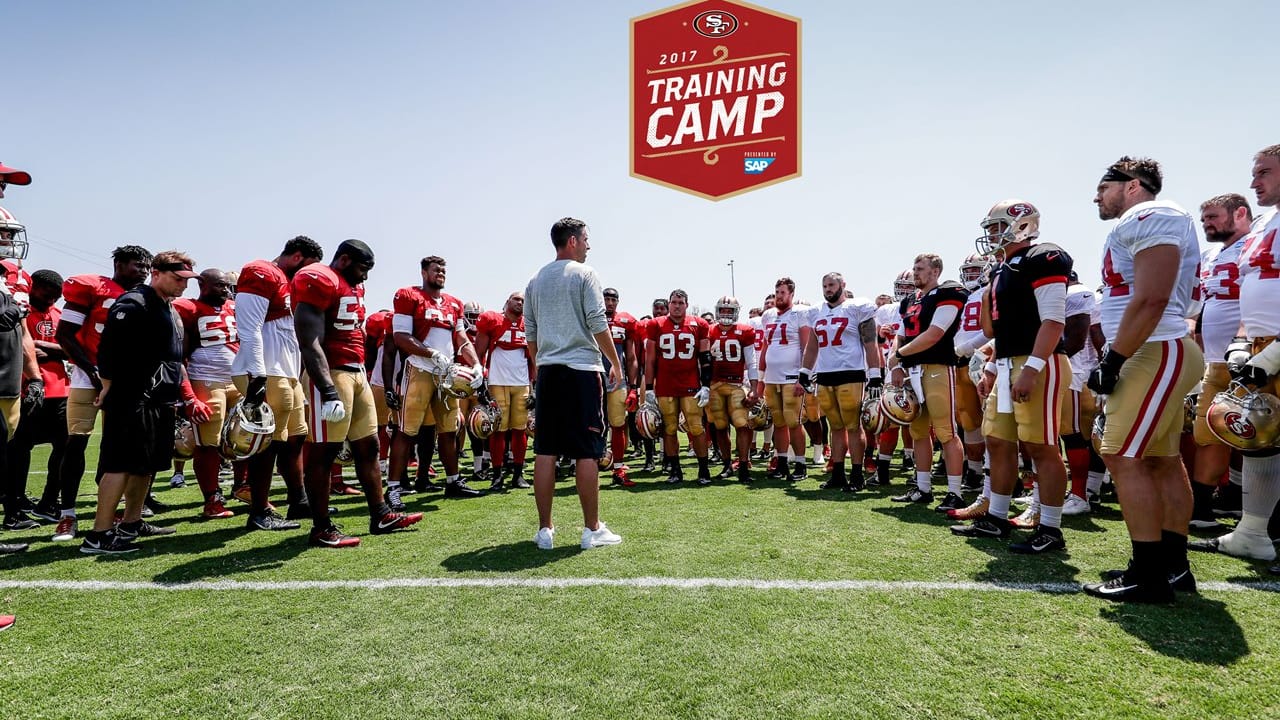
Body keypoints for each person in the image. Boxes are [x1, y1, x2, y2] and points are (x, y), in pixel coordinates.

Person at [1082, 156, 1204, 603]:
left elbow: (1153, 297)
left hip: (1154, 349)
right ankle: (1172, 568)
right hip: (1155, 349)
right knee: (1160, 460)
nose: (1096, 196)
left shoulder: (1151, 213)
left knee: (1120, 455)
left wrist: (1113, 360)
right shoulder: (1141, 220)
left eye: (1103, 187)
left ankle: (1150, 576)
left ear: (1132, 186)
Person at [950, 200, 1073, 554]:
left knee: (1041, 446)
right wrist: (983, 359)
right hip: (1005, 362)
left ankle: (1050, 527)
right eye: (989, 228)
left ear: (1022, 225)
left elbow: (1053, 321)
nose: (990, 235)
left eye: (996, 227)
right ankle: (997, 517)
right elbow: (996, 329)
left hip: (1039, 361)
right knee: (998, 441)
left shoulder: (1043, 257)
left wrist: (1033, 368)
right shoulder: (1002, 270)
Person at [295, 239, 423, 547]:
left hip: (357, 372)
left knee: (369, 447)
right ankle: (321, 527)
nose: (365, 276)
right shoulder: (320, 279)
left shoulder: (352, 286)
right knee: (324, 452)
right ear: (344, 260)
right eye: (362, 268)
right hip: (332, 373)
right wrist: (327, 390)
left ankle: (380, 512)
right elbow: (308, 340)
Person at [80, 252, 207, 554]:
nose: (183, 286)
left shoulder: (169, 308)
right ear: (157, 273)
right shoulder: (134, 303)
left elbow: (174, 358)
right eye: (178, 279)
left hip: (159, 398)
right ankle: (99, 534)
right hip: (131, 396)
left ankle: (131, 523)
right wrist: (108, 385)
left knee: (145, 464)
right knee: (120, 462)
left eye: (186, 281)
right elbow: (108, 350)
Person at [1192, 146, 1280, 575]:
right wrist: (1244, 340)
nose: (1254, 181)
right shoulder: (1267, 222)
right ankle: (1253, 533)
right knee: (1262, 442)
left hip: (1277, 344)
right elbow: (1255, 287)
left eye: (1263, 172)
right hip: (1262, 341)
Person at [525, 217, 623, 550]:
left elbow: (531, 334)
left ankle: (544, 530)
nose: (588, 245)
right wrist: (615, 361)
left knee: (545, 450)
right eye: (584, 239)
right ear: (571, 240)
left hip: (549, 371)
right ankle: (591, 529)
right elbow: (598, 322)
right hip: (581, 370)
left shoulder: (535, 280)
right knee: (586, 451)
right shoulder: (585, 274)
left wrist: (541, 365)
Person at [53, 245, 152, 542]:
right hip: (88, 377)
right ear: (119, 264)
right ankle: (67, 515)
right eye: (138, 265)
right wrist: (93, 371)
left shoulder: (146, 298)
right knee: (75, 444)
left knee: (117, 449)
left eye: (147, 267)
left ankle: (111, 513)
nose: (144, 272)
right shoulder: (92, 287)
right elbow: (65, 335)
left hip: (126, 381)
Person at [386, 255, 485, 501]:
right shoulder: (409, 295)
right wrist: (430, 352)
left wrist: (476, 365)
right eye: (435, 270)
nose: (440, 273)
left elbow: (461, 339)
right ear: (423, 272)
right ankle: (394, 488)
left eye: (443, 270)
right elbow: (400, 336)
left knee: (450, 429)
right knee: (406, 431)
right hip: (419, 368)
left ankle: (453, 481)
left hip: (446, 374)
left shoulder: (453, 303)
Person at [1187, 193, 1251, 530]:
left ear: (1239, 214)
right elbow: (1200, 308)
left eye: (1213, 216)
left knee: (1259, 435)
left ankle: (1257, 514)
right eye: (1204, 219)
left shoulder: (1256, 244)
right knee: (1209, 432)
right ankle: (1203, 508)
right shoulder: (1210, 254)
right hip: (1215, 361)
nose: (1207, 224)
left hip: (1253, 358)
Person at [886, 254, 968, 509]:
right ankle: (923, 488)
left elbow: (934, 334)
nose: (914, 273)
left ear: (936, 271)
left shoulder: (948, 292)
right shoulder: (910, 301)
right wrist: (896, 363)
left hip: (937, 368)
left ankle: (955, 492)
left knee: (946, 431)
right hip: (913, 370)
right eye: (913, 268)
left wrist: (899, 355)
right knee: (918, 431)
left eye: (920, 269)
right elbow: (900, 337)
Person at [799, 273, 880, 491]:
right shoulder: (816, 312)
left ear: (843, 285)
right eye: (824, 285)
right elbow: (812, 346)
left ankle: (856, 474)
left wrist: (875, 374)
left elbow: (871, 343)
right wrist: (805, 370)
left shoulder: (856, 307)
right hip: (825, 375)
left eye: (832, 285)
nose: (828, 289)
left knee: (853, 426)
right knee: (835, 427)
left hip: (851, 373)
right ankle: (837, 474)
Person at [173, 268, 242, 520]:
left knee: (246, 436)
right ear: (202, 284)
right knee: (208, 443)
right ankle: (212, 499)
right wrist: (188, 395)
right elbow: (179, 355)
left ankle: (242, 486)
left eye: (227, 286)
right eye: (219, 286)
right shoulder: (189, 308)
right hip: (207, 379)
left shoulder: (233, 307)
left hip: (237, 380)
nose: (225, 290)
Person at [17, 271, 70, 529]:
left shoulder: (59, 315)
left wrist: (39, 347)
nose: (51, 300)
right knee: (18, 449)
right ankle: (16, 502)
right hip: (26, 389)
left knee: (65, 447)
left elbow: (70, 349)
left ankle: (49, 502)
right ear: (33, 287)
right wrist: (30, 350)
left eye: (56, 296)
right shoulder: (18, 310)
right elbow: (15, 345)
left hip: (60, 390)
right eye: (46, 294)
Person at [645, 289, 712, 485]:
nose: (677, 306)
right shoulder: (655, 324)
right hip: (665, 385)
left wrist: (706, 385)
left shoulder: (699, 324)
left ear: (687, 304)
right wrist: (649, 387)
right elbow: (649, 360)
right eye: (673, 302)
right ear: (669, 304)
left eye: (680, 302)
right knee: (669, 428)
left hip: (690, 383)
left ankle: (703, 469)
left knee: (696, 426)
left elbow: (705, 357)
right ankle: (675, 470)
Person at [474, 292, 535, 491]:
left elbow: (534, 358)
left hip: (522, 383)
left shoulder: (530, 325)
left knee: (519, 430)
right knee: (498, 431)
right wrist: (481, 382)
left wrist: (534, 387)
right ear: (507, 301)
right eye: (516, 299)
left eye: (524, 301)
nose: (520, 303)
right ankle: (497, 475)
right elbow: (479, 355)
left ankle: (518, 474)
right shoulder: (493, 320)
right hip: (497, 382)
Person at [757, 278, 812, 480]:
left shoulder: (800, 313)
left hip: (791, 377)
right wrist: (760, 379)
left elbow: (806, 347)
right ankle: (781, 463)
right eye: (777, 292)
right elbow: (765, 348)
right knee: (778, 423)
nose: (779, 296)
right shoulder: (768, 315)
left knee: (794, 422)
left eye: (782, 292)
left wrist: (802, 377)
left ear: (791, 294)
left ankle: (800, 464)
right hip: (772, 378)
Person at [706, 295, 758, 483]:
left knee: (741, 424)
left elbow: (752, 361)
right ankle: (727, 464)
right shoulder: (709, 331)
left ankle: (744, 466)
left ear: (736, 312)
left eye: (730, 310)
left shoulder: (745, 331)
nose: (726, 314)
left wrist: (754, 387)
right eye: (723, 310)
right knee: (720, 426)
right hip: (715, 385)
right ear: (717, 311)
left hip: (736, 384)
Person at [601, 287, 640, 486]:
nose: (609, 302)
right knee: (593, 426)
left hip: (618, 381)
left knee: (618, 424)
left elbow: (631, 357)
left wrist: (634, 387)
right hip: (594, 378)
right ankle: (587, 467)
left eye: (612, 299)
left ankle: (618, 469)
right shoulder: (590, 317)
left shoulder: (625, 321)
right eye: (606, 298)